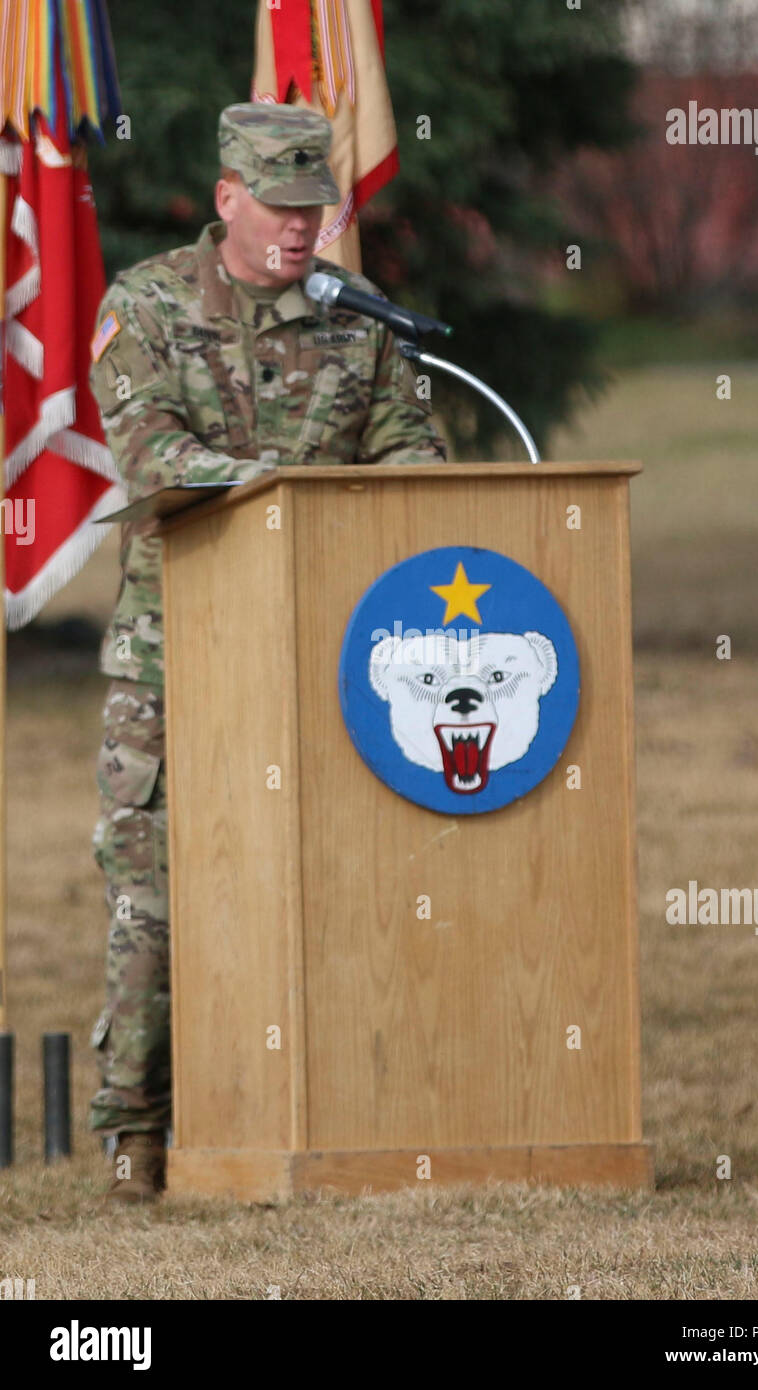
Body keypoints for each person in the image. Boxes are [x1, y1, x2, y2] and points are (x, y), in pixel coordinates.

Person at [87, 103, 447, 1202]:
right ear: (227, 198)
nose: (301, 231)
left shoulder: (358, 322)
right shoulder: (145, 304)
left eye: (316, 209)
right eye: (282, 208)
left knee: (338, 890)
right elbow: (151, 445)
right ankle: (135, 1139)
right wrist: (271, 489)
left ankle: (336, 1116)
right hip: (177, 661)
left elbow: (416, 454)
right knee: (158, 903)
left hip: (331, 657)